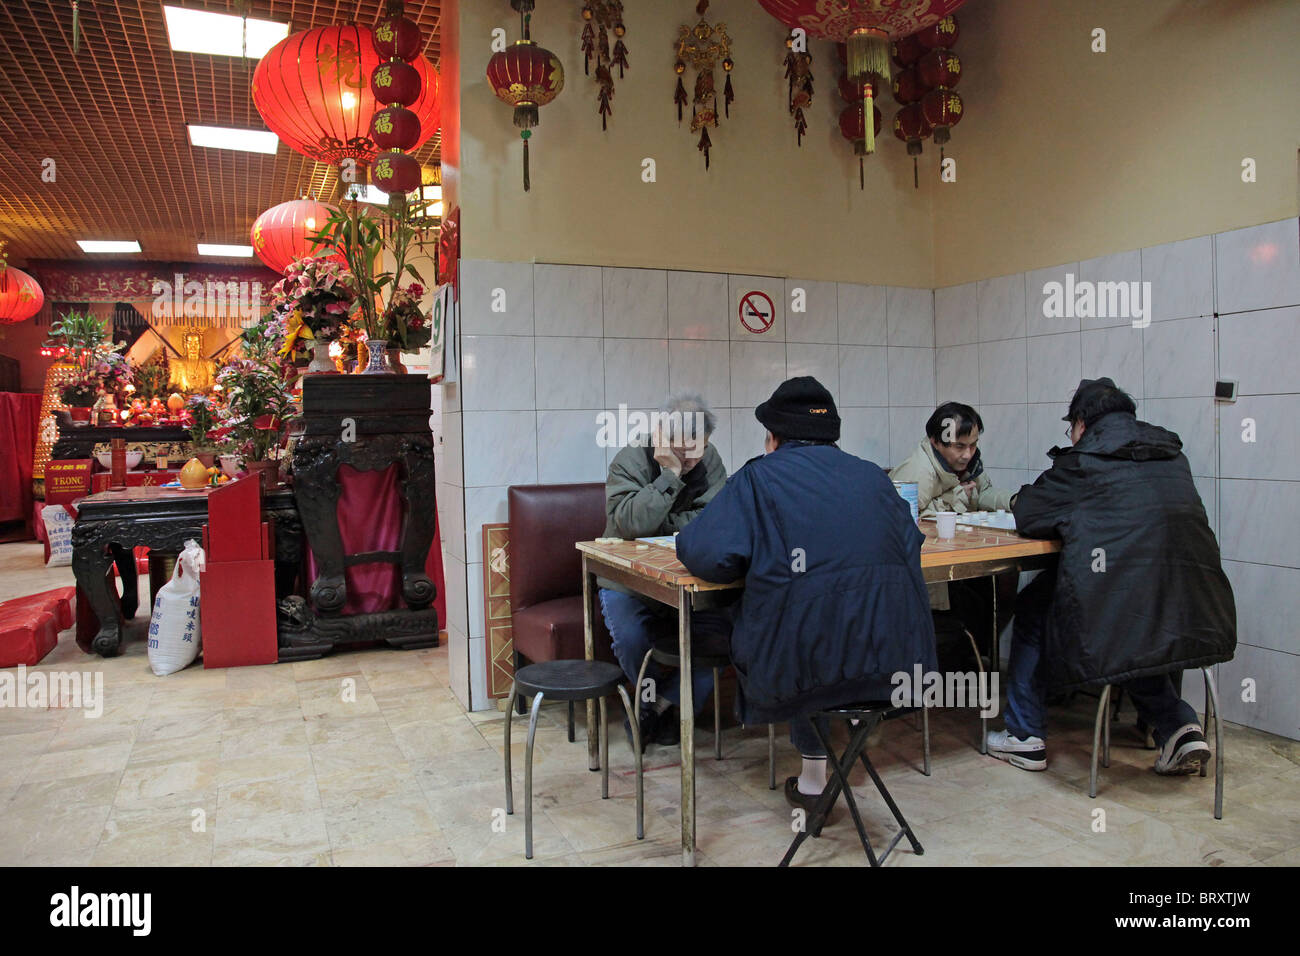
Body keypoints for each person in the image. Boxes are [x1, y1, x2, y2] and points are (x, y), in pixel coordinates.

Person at [675, 377, 936, 811]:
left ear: (772, 438)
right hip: (898, 661)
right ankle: (847, 727)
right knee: (816, 615)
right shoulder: (873, 477)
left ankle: (814, 777)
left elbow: (705, 554)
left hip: (803, 669)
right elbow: (911, 542)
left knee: (792, 622)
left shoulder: (759, 477)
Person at [988, 378, 1237, 774]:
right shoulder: (1172, 455)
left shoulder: (1084, 461)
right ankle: (1179, 726)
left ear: (1081, 424)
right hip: (1195, 602)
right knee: (1131, 627)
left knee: (1038, 606)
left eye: (1069, 428)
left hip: (1121, 602)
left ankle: (1024, 736)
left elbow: (1030, 514)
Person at [599, 393, 731, 751]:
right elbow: (628, 524)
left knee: (725, 635)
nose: (687, 459)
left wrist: (660, 523)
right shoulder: (630, 460)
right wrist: (669, 475)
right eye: (676, 447)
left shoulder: (711, 462)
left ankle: (664, 706)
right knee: (631, 639)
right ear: (659, 433)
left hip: (689, 578)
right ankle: (648, 704)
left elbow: (715, 520)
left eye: (695, 450)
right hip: (629, 580)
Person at [889, 401, 1016, 516]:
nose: (968, 455)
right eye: (959, 446)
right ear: (935, 442)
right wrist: (956, 498)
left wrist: (1014, 501)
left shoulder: (970, 463)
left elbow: (982, 492)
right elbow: (900, 516)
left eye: (973, 445)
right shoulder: (919, 473)